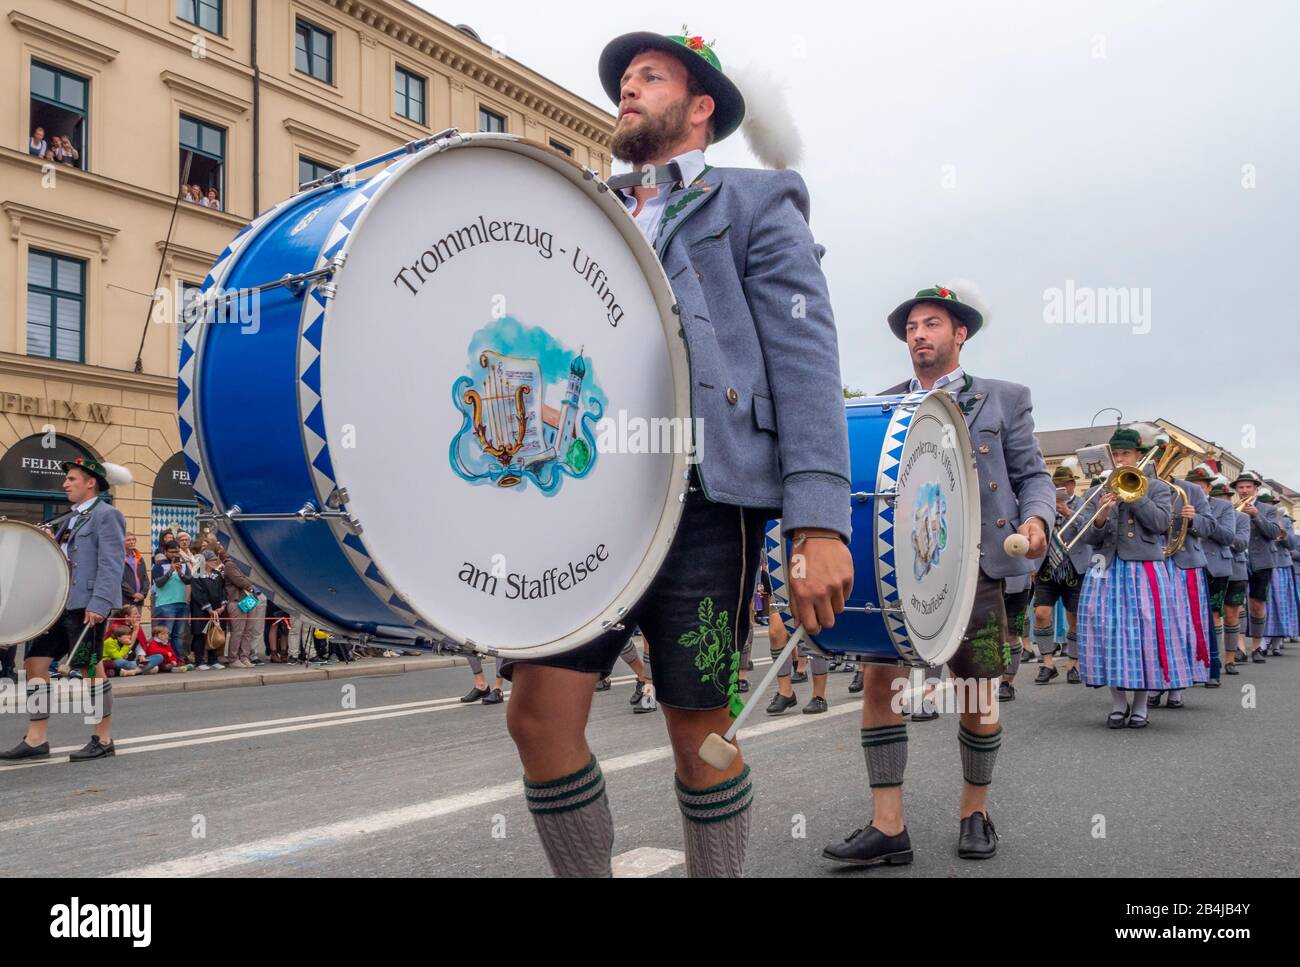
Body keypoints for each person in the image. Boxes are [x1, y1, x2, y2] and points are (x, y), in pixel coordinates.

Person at [499, 26, 853, 879]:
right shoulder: (588, 210)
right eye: (623, 78)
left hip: (705, 499)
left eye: (648, 77)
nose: (627, 87)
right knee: (538, 717)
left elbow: (805, 360)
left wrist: (818, 519)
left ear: (700, 108)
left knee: (701, 738)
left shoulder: (759, 201)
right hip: (588, 494)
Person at [824, 283, 1053, 868]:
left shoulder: (1004, 398)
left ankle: (974, 811)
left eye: (931, 324)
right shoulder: (884, 406)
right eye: (911, 328)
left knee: (976, 691)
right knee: (881, 687)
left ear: (959, 334)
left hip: (976, 568)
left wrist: (1037, 520)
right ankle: (887, 825)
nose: (918, 335)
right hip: (898, 570)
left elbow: (1033, 475)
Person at [1, 457, 130, 761]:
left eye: (71, 479)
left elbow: (111, 564)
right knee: (34, 664)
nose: (65, 484)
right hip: (58, 607)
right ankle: (36, 739)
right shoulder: (68, 519)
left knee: (90, 667)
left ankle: (103, 738)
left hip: (85, 607)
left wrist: (100, 604)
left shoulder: (106, 515)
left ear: (91, 482)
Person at [1075, 426, 1187, 729]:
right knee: (1105, 632)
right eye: (1117, 454)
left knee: (1143, 633)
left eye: (1127, 453)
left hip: (1143, 568)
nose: (1122, 459)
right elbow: (1087, 537)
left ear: (1139, 456)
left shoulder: (1157, 487)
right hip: (1104, 567)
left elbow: (1161, 523)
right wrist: (1099, 515)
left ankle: (1140, 705)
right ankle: (1117, 703)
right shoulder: (1097, 489)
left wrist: (1134, 495)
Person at [1149, 459, 1217, 708]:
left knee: (1183, 626)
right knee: (1155, 625)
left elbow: (1210, 527)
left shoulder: (1191, 490)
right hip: (1151, 562)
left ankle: (1177, 685)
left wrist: (1195, 518)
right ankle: (1155, 684)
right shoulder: (1140, 486)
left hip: (1182, 564)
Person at [1034, 463, 1091, 684]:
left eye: (1063, 485)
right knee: (1041, 613)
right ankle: (1047, 663)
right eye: (1055, 486)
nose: (1059, 489)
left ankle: (1073, 664)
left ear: (1071, 485)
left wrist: (1068, 512)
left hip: (1075, 566)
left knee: (1074, 617)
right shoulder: (1045, 505)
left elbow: (1089, 530)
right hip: (1048, 566)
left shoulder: (1083, 503)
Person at [1189, 468, 1238, 687]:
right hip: (1188, 564)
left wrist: (1201, 519)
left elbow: (1228, 537)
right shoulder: (1181, 501)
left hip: (1216, 566)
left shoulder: (1225, 506)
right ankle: (1192, 664)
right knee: (1189, 618)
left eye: (1201, 485)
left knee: (1214, 615)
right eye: (1194, 485)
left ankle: (1213, 667)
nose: (1197, 489)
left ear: (1209, 488)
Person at [1233, 471, 1278, 662]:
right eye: (1241, 487)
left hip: (1261, 562)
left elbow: (1273, 533)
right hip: (1238, 561)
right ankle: (1240, 647)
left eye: (1248, 487)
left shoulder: (1267, 509)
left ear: (1255, 489)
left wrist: (1256, 516)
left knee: (1257, 605)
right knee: (1237, 605)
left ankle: (1258, 646)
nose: (1244, 490)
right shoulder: (1232, 508)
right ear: (1236, 490)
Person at [220, 548, 267, 667]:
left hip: (249, 599)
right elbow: (239, 581)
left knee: (248, 630)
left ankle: (244, 656)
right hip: (237, 600)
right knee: (238, 631)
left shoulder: (244, 564)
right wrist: (252, 585)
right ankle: (233, 658)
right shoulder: (230, 565)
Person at [184, 549, 227, 670]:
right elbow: (198, 594)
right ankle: (199, 661)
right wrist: (208, 608)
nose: (214, 562)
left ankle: (213, 659)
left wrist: (222, 606)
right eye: (211, 560)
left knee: (214, 633)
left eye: (215, 560)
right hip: (201, 610)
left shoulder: (218, 575)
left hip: (217, 610)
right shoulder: (197, 574)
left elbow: (222, 591)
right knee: (200, 635)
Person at [150, 541, 190, 656]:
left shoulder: (183, 565)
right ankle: (165, 658)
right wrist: (170, 571)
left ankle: (178, 658)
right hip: (165, 605)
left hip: (181, 603)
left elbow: (188, 580)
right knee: (166, 634)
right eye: (172, 552)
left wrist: (180, 573)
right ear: (165, 552)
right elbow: (158, 583)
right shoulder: (159, 565)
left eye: (177, 551)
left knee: (179, 635)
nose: (175, 554)